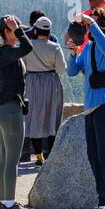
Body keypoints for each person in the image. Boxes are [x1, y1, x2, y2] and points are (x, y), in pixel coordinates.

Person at [67, 7, 105, 209]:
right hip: (90, 108)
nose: (91, 26)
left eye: (97, 22)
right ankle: (103, 202)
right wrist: (73, 52)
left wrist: (91, 25)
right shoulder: (89, 47)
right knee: (94, 156)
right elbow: (73, 71)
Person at [0, 16, 36, 209]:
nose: (19, 32)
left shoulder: (0, 53)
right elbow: (28, 48)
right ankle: (9, 204)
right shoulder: (8, 52)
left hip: (0, 109)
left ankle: (3, 202)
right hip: (11, 111)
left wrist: (16, 30)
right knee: (12, 161)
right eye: (15, 30)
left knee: (4, 160)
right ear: (7, 32)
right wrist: (17, 30)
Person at [23, 16, 69, 166]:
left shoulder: (27, 46)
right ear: (49, 31)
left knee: (34, 117)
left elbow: (22, 66)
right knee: (52, 117)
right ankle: (51, 156)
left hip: (32, 82)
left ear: (35, 30)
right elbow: (62, 69)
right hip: (51, 83)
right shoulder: (55, 47)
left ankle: (39, 157)